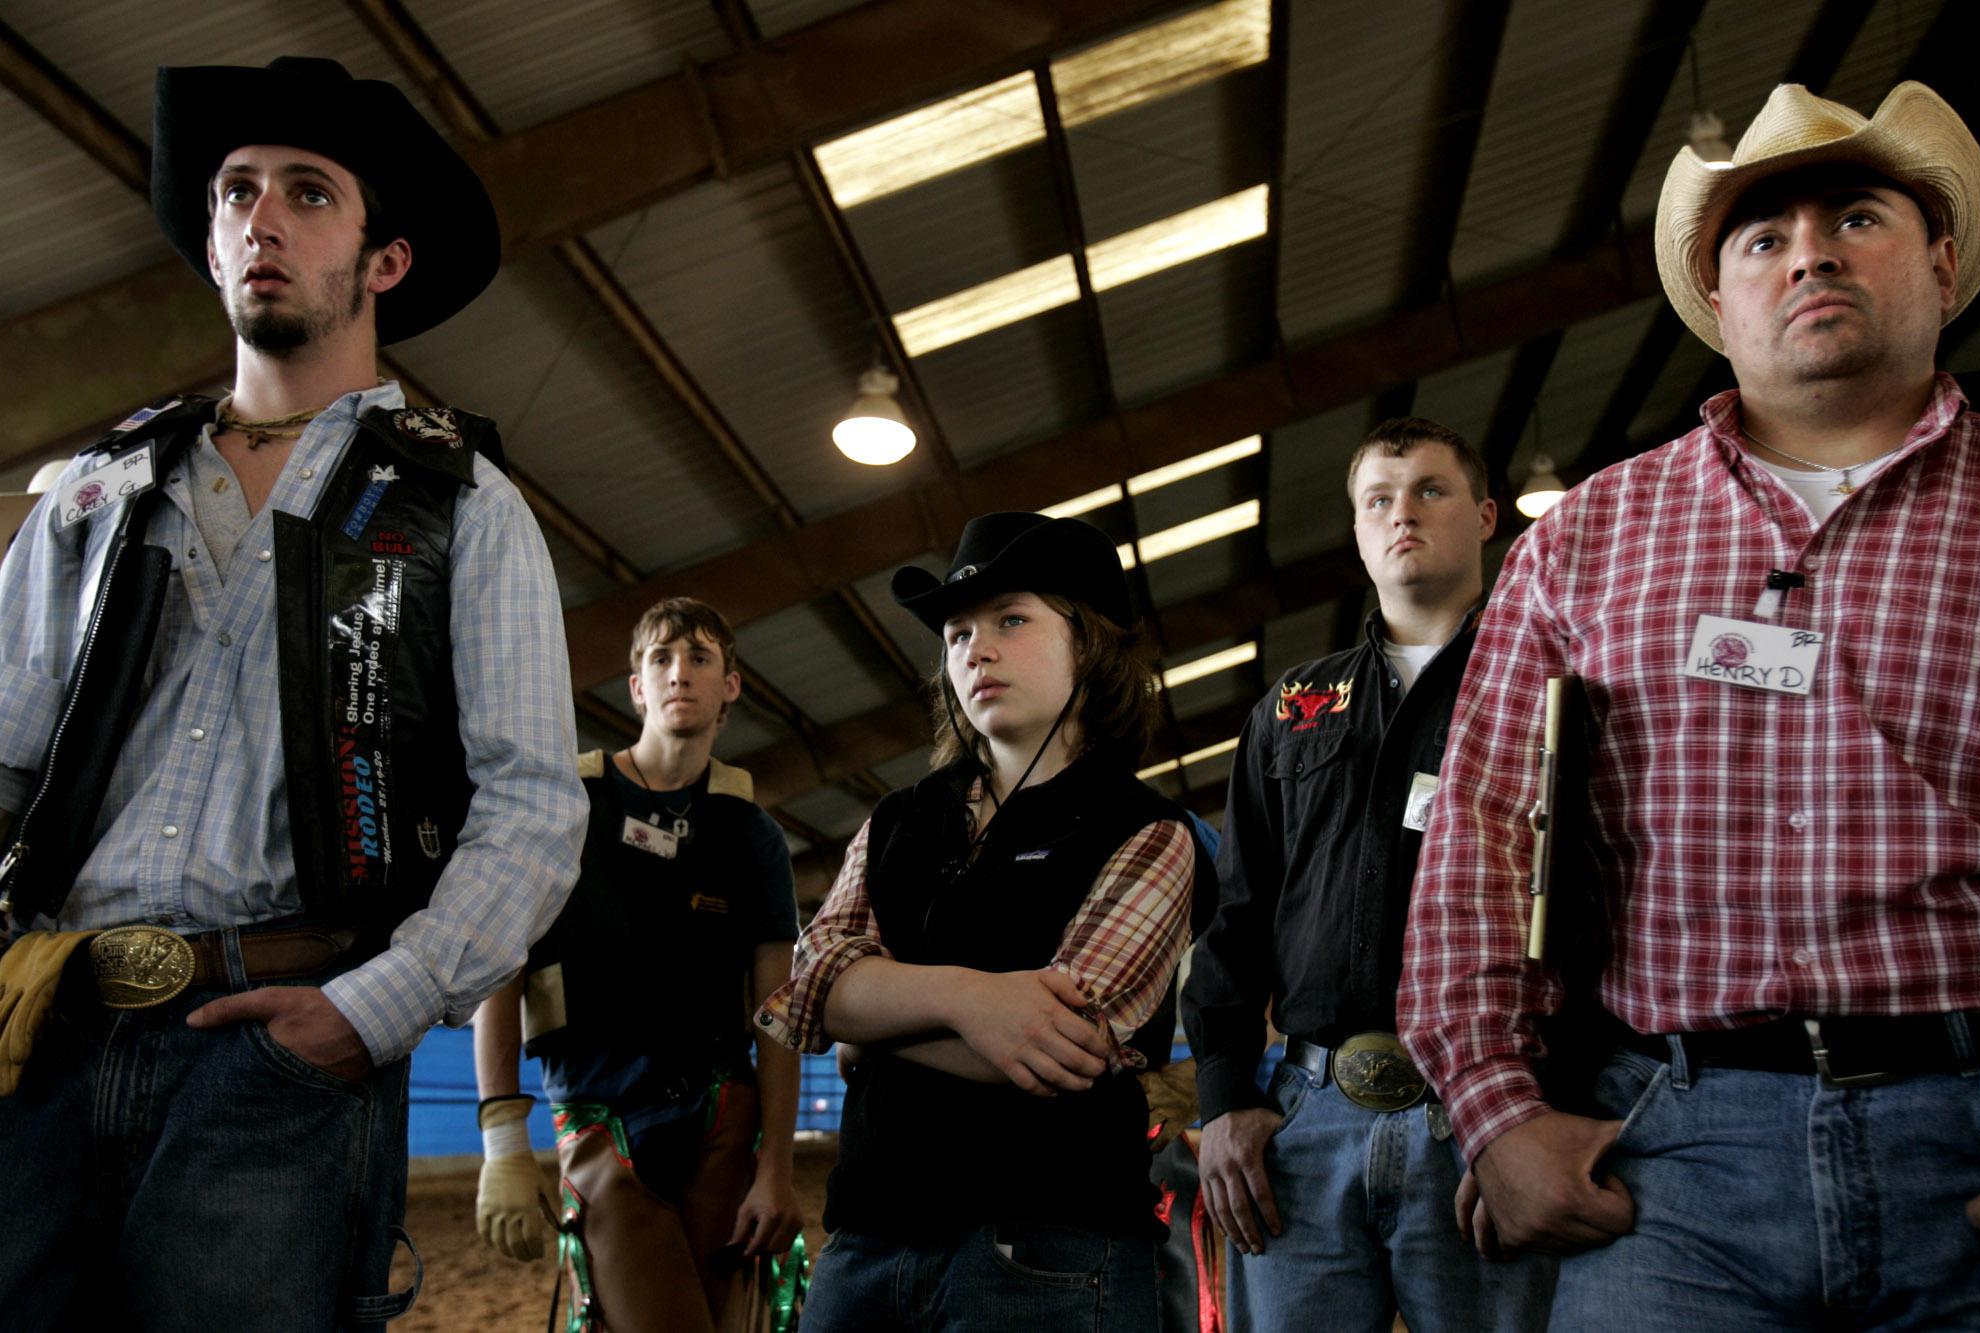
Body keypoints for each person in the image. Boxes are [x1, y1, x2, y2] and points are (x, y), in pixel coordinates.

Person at [1397, 80, 1980, 1329]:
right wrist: (1494, 1111)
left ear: (1941, 264)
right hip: (1672, 1149)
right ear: (1717, 303)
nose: (1809, 255)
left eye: (1855, 218)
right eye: (1761, 239)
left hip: (1977, 1129)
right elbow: (1483, 829)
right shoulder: (1591, 535)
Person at [0, 57, 587, 1329]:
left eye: (307, 194)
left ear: (383, 262)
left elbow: (532, 806)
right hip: (43, 1039)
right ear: (213, 245)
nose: (259, 218)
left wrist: (363, 1011)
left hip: (276, 1057)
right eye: (234, 193)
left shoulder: (463, 507)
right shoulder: (94, 493)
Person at [757, 511, 1210, 1332]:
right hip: (864, 1242)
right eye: (958, 632)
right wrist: (974, 1000)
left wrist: (875, 1020)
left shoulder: (1148, 831)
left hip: (1050, 1253)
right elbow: (811, 982)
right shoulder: (899, 818)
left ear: (1090, 643)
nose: (976, 649)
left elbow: (1064, 1044)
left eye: (1010, 619)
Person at [1182, 417, 1553, 1330]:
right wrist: (1227, 1097)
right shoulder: (1296, 705)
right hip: (1308, 1119)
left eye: (1432, 490)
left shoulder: (1547, 685)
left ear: (1488, 516)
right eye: (1377, 500)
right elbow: (1237, 913)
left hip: (1486, 1113)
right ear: (1355, 532)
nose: (1403, 515)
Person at [472, 596, 804, 1331]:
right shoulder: (567, 807)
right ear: (636, 687)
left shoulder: (751, 835)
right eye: (660, 658)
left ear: (732, 686)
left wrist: (776, 1166)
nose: (679, 672)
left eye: (699, 658)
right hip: (602, 1119)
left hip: (723, 1116)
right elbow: (502, 966)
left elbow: (778, 1009)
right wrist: (502, 1137)